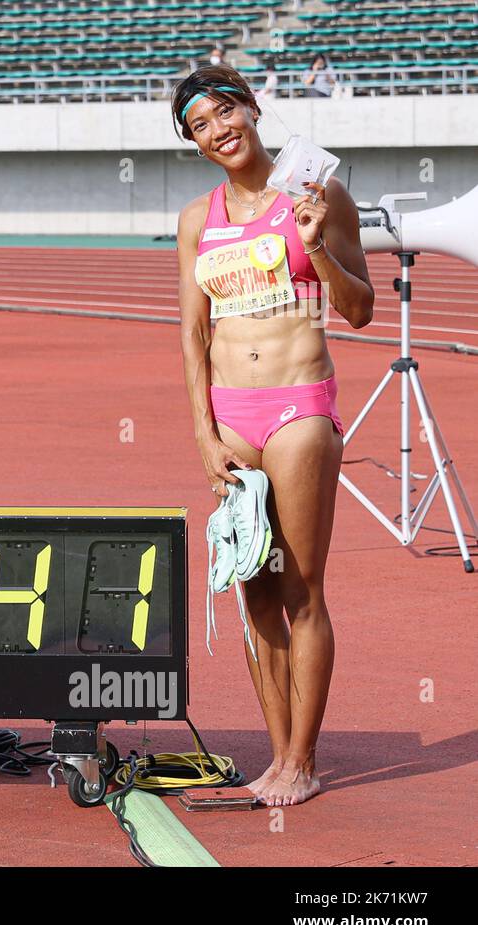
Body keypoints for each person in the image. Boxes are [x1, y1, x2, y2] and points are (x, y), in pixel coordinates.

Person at [172, 67, 374, 806]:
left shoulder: (317, 197)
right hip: (232, 418)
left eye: (226, 111)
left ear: (253, 111)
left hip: (298, 411)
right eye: (201, 125)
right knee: (252, 593)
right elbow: (193, 331)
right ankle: (278, 755)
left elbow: (360, 310)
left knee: (301, 590)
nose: (219, 129)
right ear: (194, 144)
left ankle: (304, 761)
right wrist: (202, 431)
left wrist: (317, 245)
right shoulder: (200, 218)